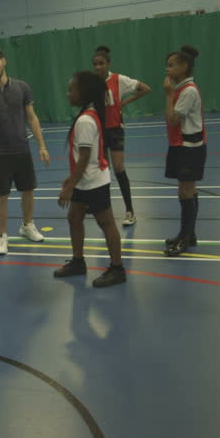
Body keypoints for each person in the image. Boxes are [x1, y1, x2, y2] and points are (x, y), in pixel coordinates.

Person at [0, 47, 51, 256]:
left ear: (3, 61)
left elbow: (32, 117)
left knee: (28, 191)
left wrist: (41, 145)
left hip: (22, 149)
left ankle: (27, 226)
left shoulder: (22, 87)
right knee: (1, 197)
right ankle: (2, 236)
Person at [55, 71, 126, 288]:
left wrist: (69, 188)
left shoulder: (86, 119)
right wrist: (71, 179)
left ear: (84, 93)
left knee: (106, 223)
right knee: (74, 218)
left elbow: (85, 158)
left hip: (93, 182)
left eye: (71, 90)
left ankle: (117, 269)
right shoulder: (89, 114)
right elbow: (84, 156)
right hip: (84, 181)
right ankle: (78, 262)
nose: (68, 94)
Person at [92, 45, 152, 226]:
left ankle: (129, 211)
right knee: (102, 171)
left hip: (115, 129)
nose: (97, 67)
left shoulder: (119, 80)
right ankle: (104, 210)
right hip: (99, 131)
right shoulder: (92, 82)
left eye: (101, 63)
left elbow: (145, 89)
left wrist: (124, 102)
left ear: (108, 64)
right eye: (95, 64)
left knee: (119, 169)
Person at [162, 45, 206, 257]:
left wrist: (169, 94)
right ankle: (189, 234)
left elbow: (172, 120)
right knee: (190, 189)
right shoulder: (182, 89)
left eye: (171, 65)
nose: (167, 69)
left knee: (185, 191)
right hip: (182, 146)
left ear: (184, 66)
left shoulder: (187, 91)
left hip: (189, 148)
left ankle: (184, 239)